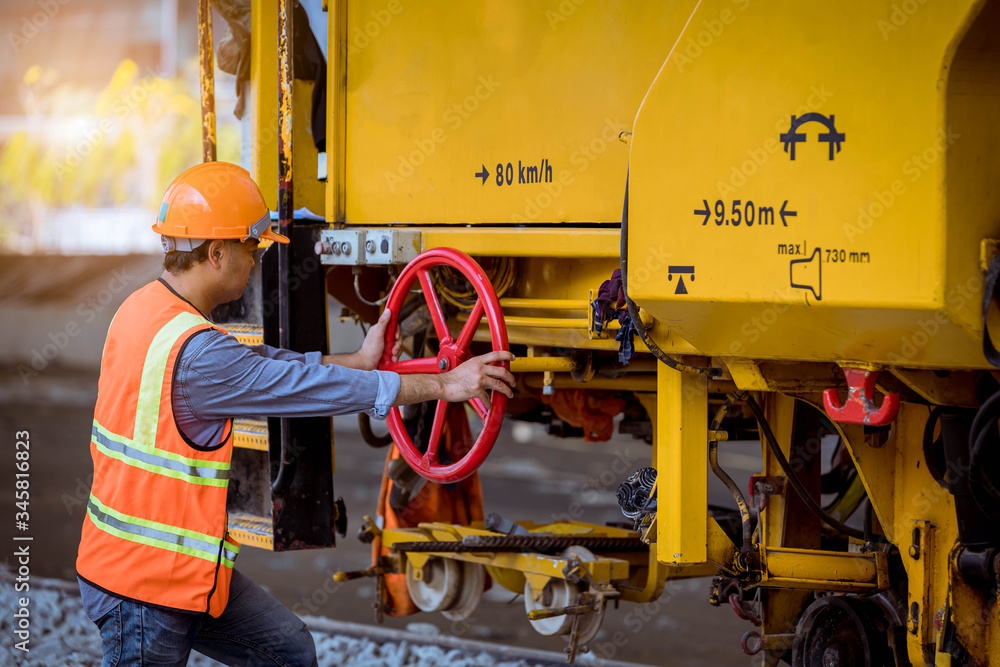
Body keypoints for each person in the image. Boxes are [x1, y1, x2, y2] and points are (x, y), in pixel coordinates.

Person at [75, 161, 515, 666]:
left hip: (184, 572)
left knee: (287, 651)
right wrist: (445, 383)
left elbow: (261, 364)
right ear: (216, 253)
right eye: (251, 247)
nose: (257, 261)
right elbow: (307, 388)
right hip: (143, 586)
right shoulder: (199, 356)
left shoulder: (144, 311)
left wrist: (357, 361)